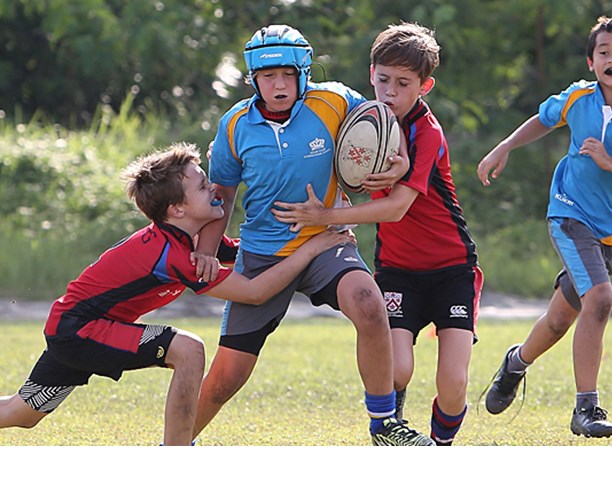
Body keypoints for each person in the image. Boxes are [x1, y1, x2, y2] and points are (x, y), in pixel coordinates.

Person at [0, 142, 353, 445]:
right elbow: (254, 292)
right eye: (202, 187)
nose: (214, 189)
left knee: (22, 412)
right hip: (79, 329)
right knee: (188, 350)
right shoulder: (174, 256)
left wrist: (311, 231)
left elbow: (251, 253)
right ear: (177, 209)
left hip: (71, 327)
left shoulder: (190, 243)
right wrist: (311, 250)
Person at [192, 24, 434, 446]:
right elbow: (222, 196)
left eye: (288, 74)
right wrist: (208, 251)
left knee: (368, 302)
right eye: (268, 77)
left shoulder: (335, 101)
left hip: (326, 243)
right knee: (226, 378)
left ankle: (384, 424)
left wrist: (400, 162)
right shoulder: (234, 126)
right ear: (254, 78)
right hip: (264, 254)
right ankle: (173, 447)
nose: (279, 85)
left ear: (305, 72)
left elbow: (386, 126)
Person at [273, 22, 481, 446]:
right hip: (398, 270)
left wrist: (327, 215)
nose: (390, 91)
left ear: (425, 86)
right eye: (383, 79)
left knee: (454, 382)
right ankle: (393, 434)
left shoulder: (427, 132)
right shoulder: (358, 121)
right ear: (371, 73)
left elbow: (398, 206)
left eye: (403, 83)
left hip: (452, 268)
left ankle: (440, 448)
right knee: (397, 369)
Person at [476, 15, 612, 438]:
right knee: (600, 300)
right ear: (590, 61)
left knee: (559, 319)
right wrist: (505, 146)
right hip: (569, 215)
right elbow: (543, 120)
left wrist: (610, 163)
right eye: (603, 52)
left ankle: (515, 364)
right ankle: (587, 408)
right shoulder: (577, 98)